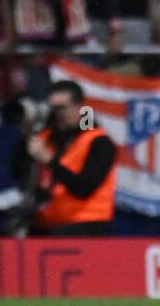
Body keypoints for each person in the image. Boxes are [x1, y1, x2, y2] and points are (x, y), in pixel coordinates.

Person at [26, 80, 118, 236]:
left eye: (62, 108)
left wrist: (50, 162)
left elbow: (84, 188)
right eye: (53, 109)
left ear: (80, 107)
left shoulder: (99, 142)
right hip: (47, 221)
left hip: (85, 224)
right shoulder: (48, 138)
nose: (58, 114)